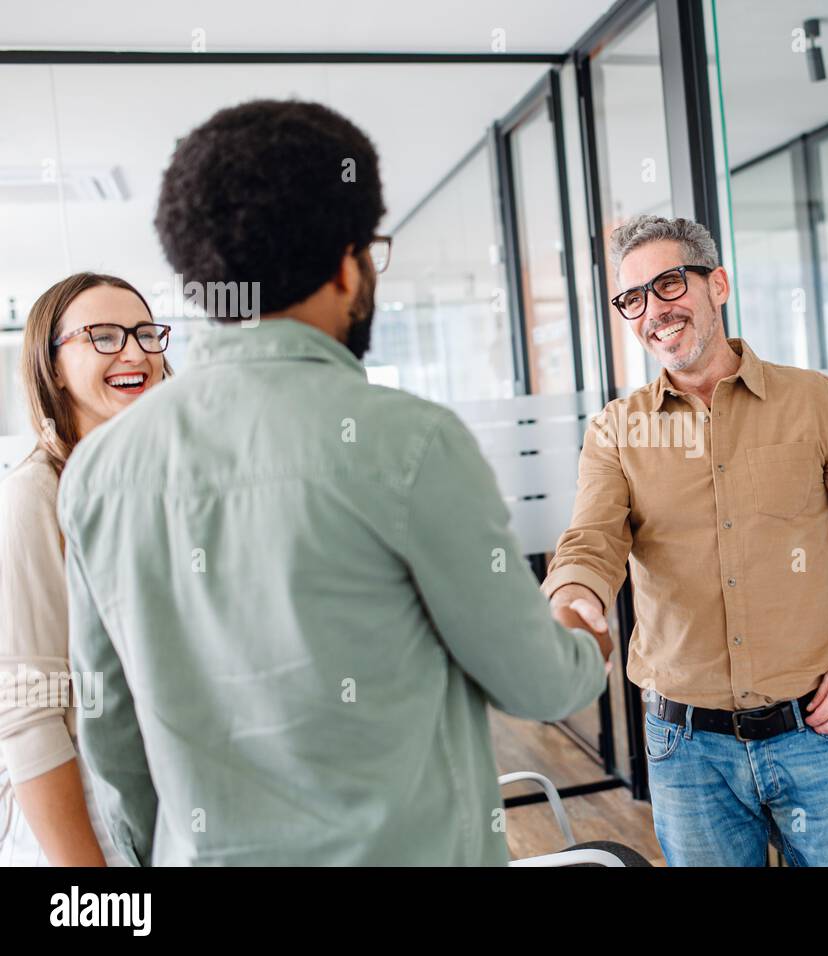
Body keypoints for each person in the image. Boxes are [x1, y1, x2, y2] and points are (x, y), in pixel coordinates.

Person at [60, 99, 612, 866]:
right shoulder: (408, 442)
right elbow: (538, 686)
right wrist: (585, 636)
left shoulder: (98, 471)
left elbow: (111, 736)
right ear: (348, 264)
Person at [542, 215, 828, 866]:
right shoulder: (616, 430)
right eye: (632, 298)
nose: (654, 312)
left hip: (816, 729)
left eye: (668, 285)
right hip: (685, 749)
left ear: (717, 284)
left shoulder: (819, 402)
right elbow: (592, 540)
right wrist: (575, 601)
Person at [1, 273, 170, 866]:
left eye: (146, 333)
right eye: (102, 336)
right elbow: (28, 713)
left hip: (171, 793)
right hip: (86, 810)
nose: (135, 351)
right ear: (50, 365)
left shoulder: (164, 483)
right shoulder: (33, 495)